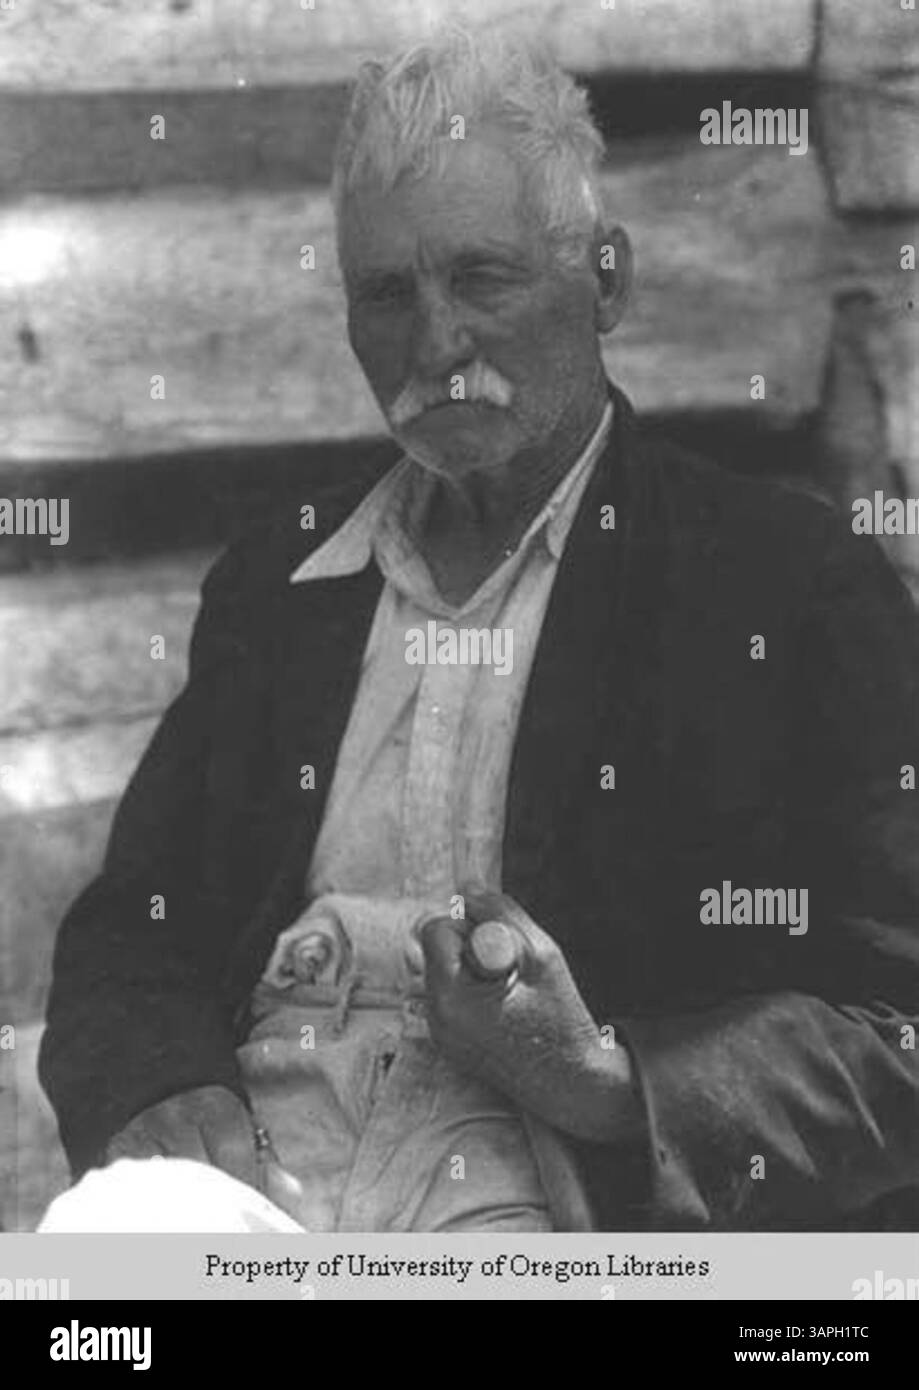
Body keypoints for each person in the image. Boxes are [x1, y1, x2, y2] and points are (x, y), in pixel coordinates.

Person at [39, 27, 919, 1231]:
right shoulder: (280, 587)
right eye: (387, 294)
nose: (436, 343)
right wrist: (162, 1085)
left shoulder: (781, 584)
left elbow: (898, 1031)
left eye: (483, 278)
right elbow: (135, 928)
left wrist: (610, 1078)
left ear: (605, 280)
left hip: (546, 1203)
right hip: (258, 1190)